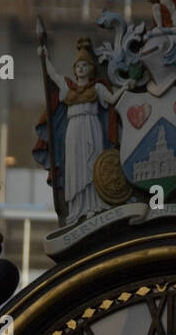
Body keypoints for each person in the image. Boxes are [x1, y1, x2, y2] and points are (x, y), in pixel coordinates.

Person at [36, 39, 129, 226]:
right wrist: (44, 56)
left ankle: (93, 205)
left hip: (91, 127)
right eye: (78, 65)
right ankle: (77, 209)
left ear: (90, 69)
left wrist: (126, 87)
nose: (80, 68)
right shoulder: (67, 87)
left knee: (92, 164)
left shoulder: (97, 87)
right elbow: (52, 74)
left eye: (84, 65)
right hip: (74, 130)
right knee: (74, 167)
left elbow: (111, 100)